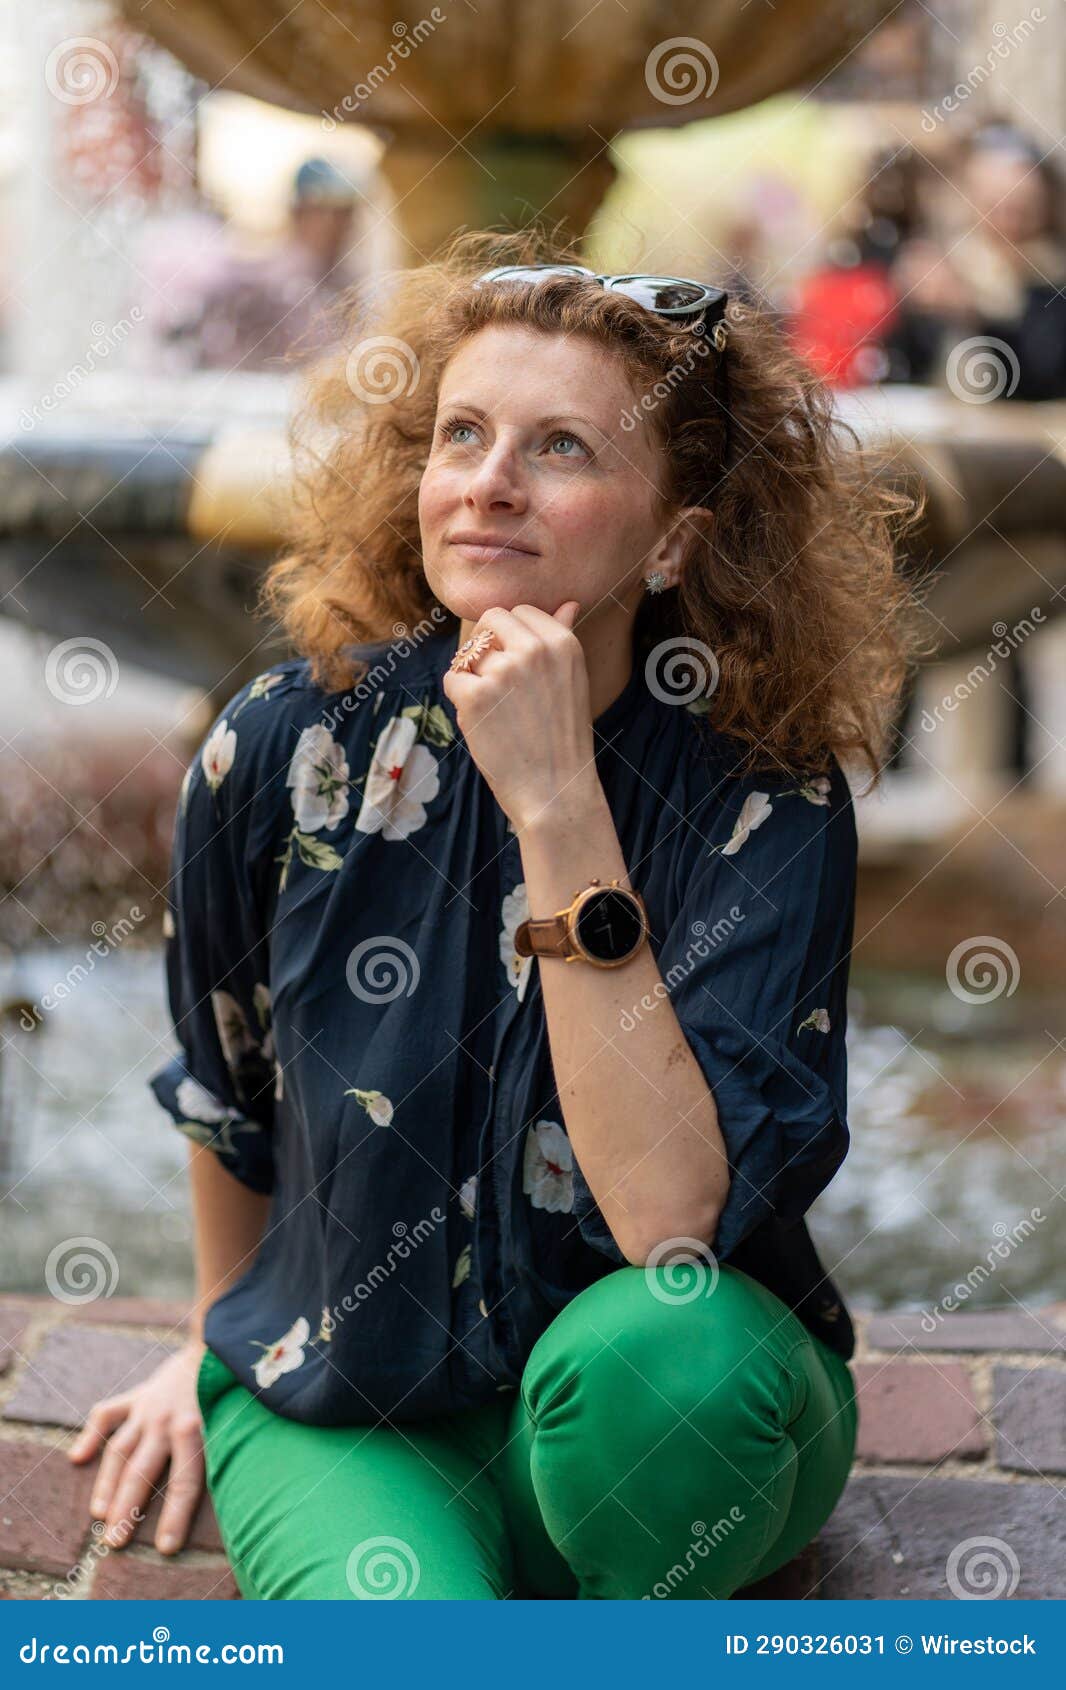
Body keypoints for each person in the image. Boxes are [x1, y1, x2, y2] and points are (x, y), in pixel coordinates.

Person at [68, 231, 922, 1600]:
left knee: (667, 1364)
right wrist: (214, 1337)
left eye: (562, 448)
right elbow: (229, 1097)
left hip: (667, 1407)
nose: (486, 484)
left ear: (673, 538)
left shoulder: (762, 798)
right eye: (460, 433)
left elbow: (668, 1226)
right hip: (358, 1415)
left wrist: (558, 810)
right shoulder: (285, 747)